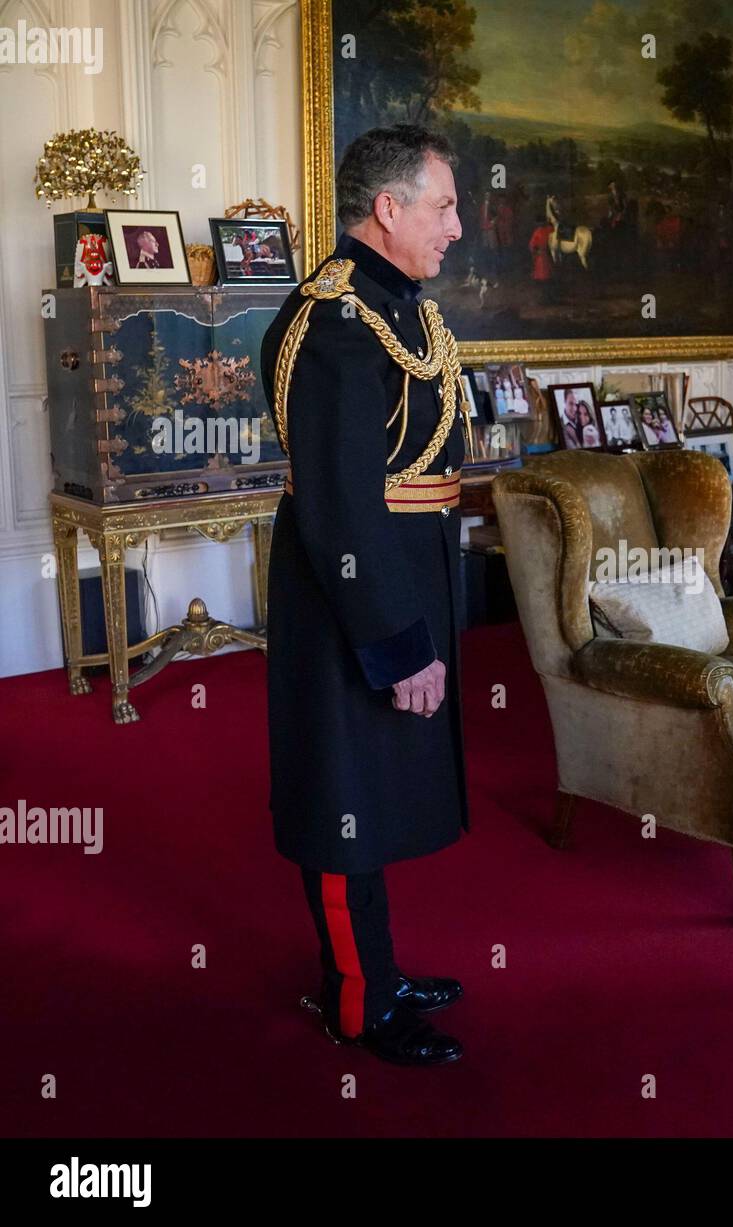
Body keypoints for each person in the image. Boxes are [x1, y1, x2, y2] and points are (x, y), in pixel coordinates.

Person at [259, 124, 471, 1067]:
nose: (458, 227)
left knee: (374, 790)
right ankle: (359, 1004)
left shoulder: (402, 309)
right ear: (387, 210)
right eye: (444, 206)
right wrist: (397, 640)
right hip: (351, 585)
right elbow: (342, 504)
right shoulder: (333, 321)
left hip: (406, 564)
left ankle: (375, 967)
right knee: (342, 790)